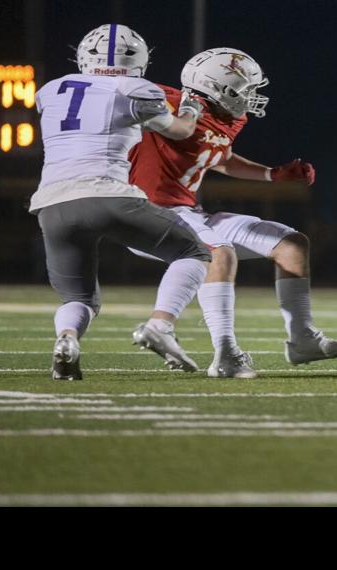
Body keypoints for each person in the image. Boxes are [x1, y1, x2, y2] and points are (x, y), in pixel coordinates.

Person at [126, 47, 337, 379]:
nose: (252, 96)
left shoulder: (231, 116)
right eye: (246, 89)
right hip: (146, 213)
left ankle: (302, 339)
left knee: (292, 244)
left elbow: (219, 157)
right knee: (218, 254)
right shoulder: (166, 102)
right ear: (217, 86)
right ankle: (226, 354)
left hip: (189, 211)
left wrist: (271, 174)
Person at [31, 23, 210, 381]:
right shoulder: (134, 87)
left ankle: (66, 339)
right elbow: (180, 130)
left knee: (79, 298)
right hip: (108, 194)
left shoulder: (50, 90)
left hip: (52, 204)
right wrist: (190, 108)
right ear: (140, 59)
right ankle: (161, 324)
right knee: (195, 252)